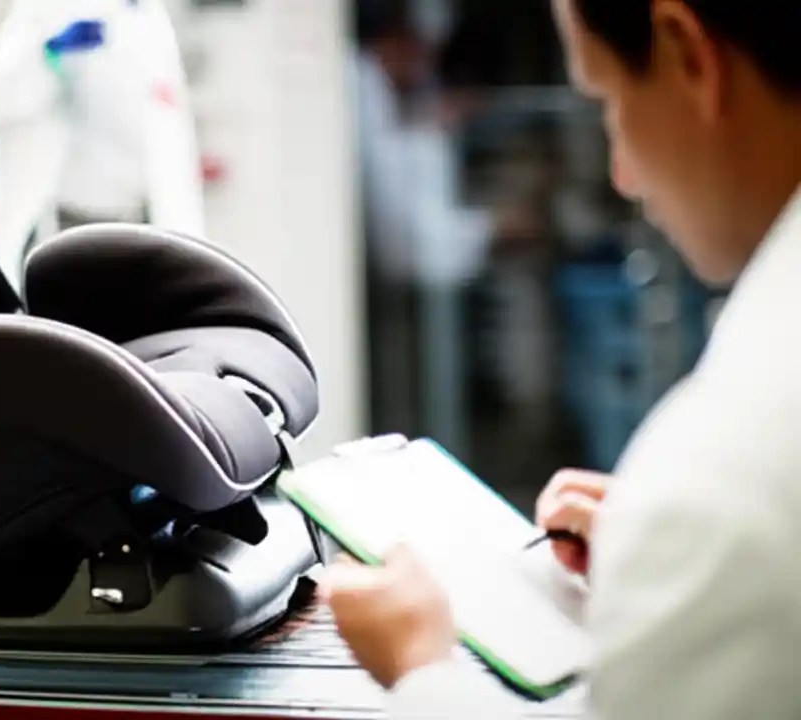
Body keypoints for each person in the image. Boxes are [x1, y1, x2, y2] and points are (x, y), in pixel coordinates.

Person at [324, 0, 801, 717]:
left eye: (607, 99)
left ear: (687, 56)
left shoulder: (732, 477)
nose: (622, 174)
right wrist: (671, 570)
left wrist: (421, 669)